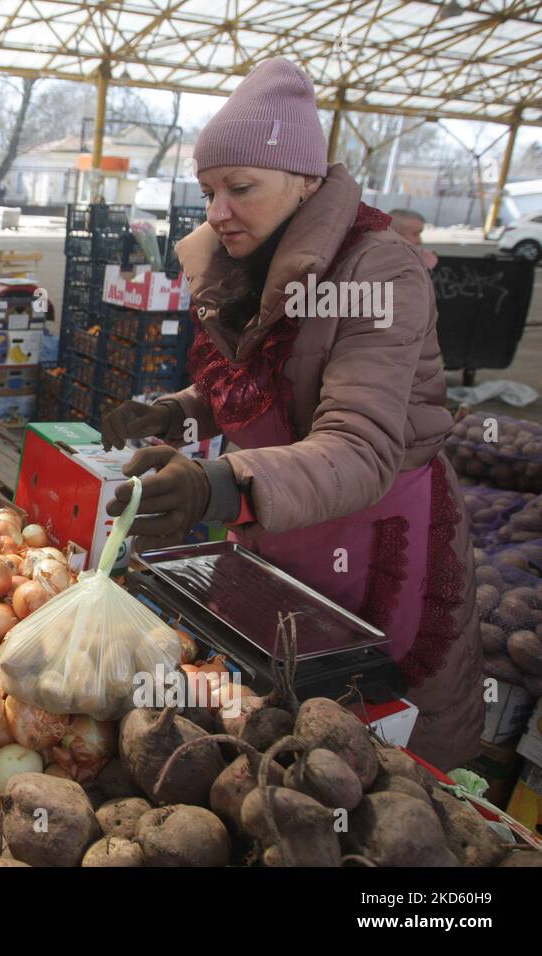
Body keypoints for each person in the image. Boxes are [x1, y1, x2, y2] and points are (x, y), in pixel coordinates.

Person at [100, 57, 481, 771]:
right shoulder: (243, 267)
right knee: (277, 737)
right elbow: (255, 400)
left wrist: (220, 485)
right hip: (274, 528)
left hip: (372, 542)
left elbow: (358, 446)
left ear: (306, 182)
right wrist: (172, 415)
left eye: (240, 188)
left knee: (373, 760)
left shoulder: (378, 272)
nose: (217, 212)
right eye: (210, 189)